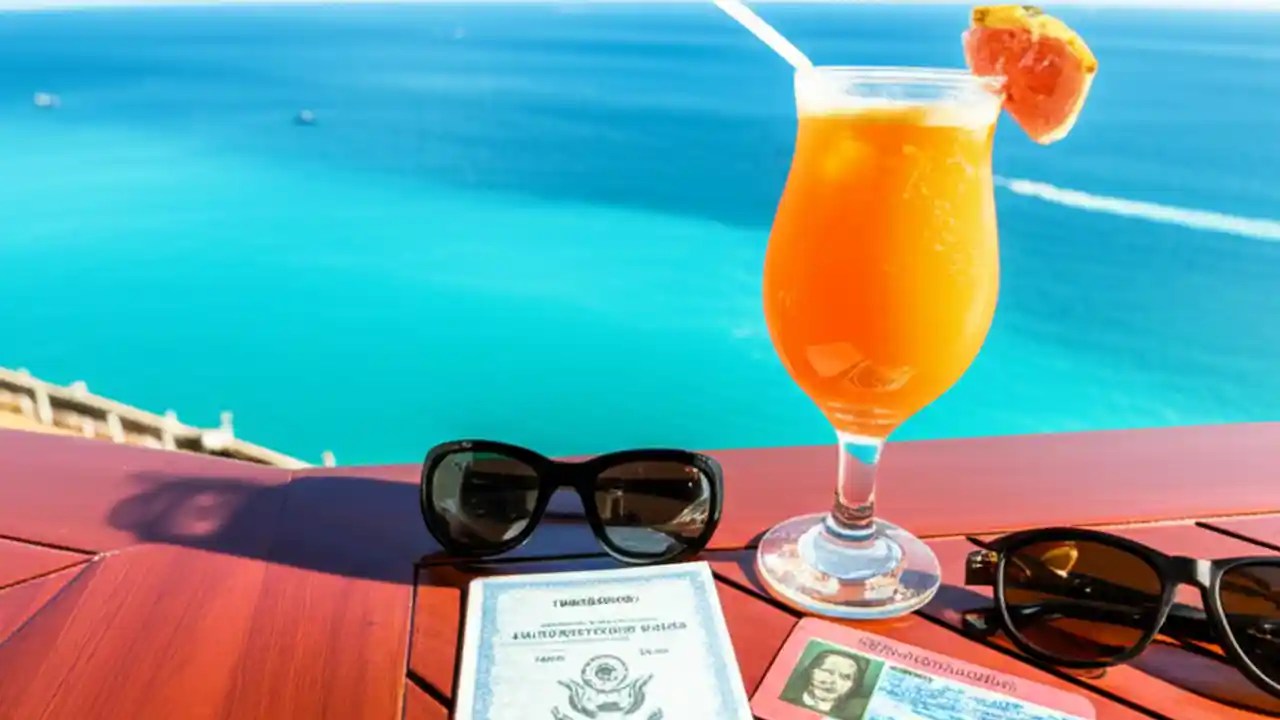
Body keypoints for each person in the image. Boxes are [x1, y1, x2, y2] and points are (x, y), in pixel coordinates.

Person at [779, 648, 875, 719]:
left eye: (845, 677)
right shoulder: (784, 699)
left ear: (853, 685)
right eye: (827, 671)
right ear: (811, 670)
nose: (833, 681)